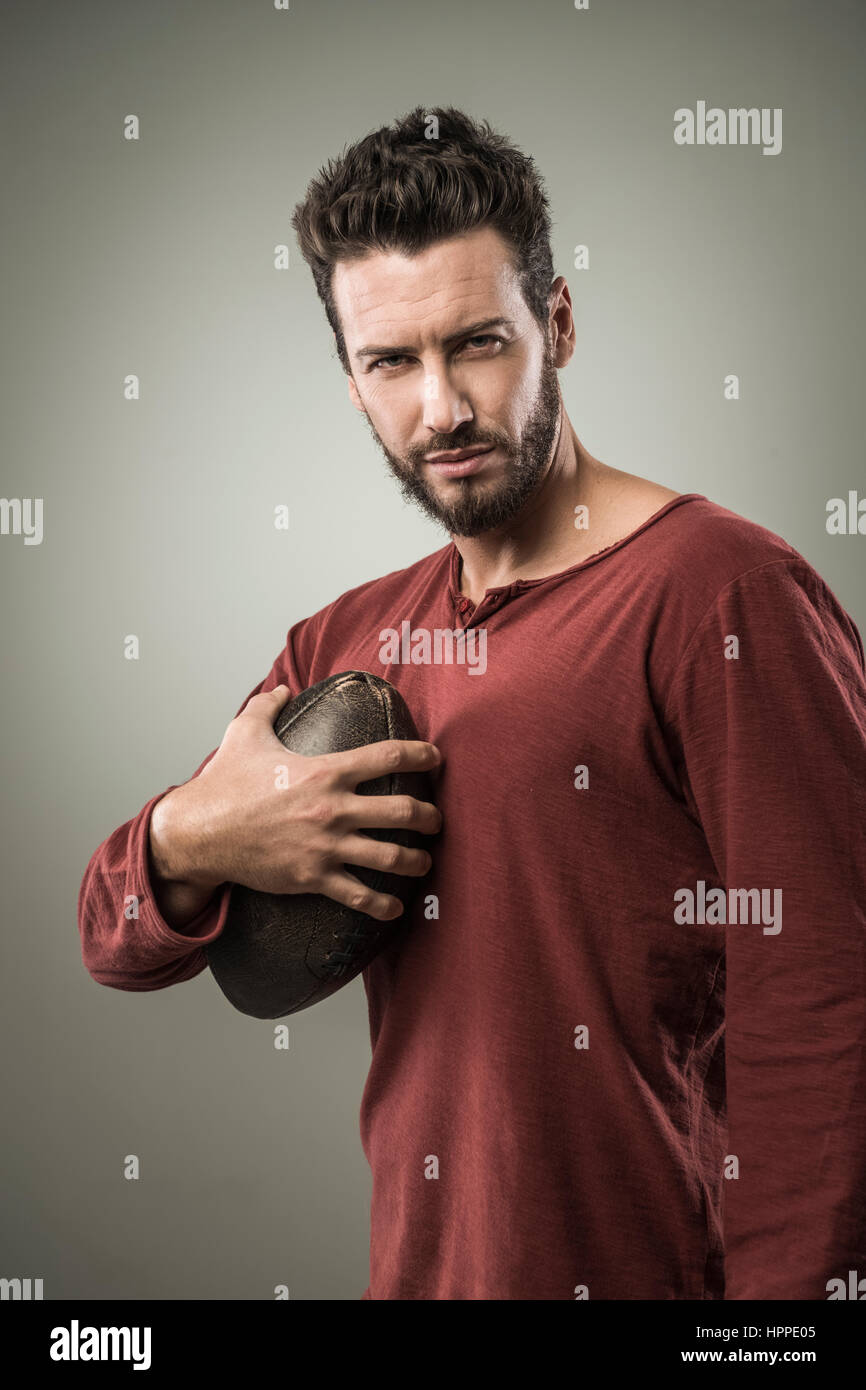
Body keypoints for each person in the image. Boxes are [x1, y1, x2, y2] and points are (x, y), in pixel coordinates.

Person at [78, 106, 866, 1301]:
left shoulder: (721, 592)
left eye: (476, 345)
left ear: (555, 323)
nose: (438, 407)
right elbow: (111, 939)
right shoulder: (341, 640)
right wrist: (195, 835)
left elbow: (829, 1014)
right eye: (390, 361)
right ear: (350, 382)